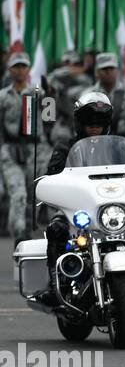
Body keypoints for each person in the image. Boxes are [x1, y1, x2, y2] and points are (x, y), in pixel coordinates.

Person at [35, 91, 115, 306]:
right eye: (90, 121)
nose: (94, 126)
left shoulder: (118, 148)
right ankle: (56, 284)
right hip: (76, 210)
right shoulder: (65, 147)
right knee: (56, 229)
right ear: (80, 122)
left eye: (99, 121)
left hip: (111, 210)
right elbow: (52, 176)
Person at [0, 53, 48, 243]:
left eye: (23, 66)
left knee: (32, 196)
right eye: (16, 66)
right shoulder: (3, 96)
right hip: (10, 151)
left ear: (28, 70)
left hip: (34, 150)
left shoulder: (37, 93)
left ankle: (28, 232)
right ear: (10, 70)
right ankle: (19, 235)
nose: (20, 70)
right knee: (17, 193)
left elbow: (49, 116)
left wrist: (49, 93)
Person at [89, 53, 125, 141]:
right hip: (99, 141)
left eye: (111, 68)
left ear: (117, 70)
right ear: (97, 72)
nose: (108, 72)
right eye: (104, 69)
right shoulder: (90, 94)